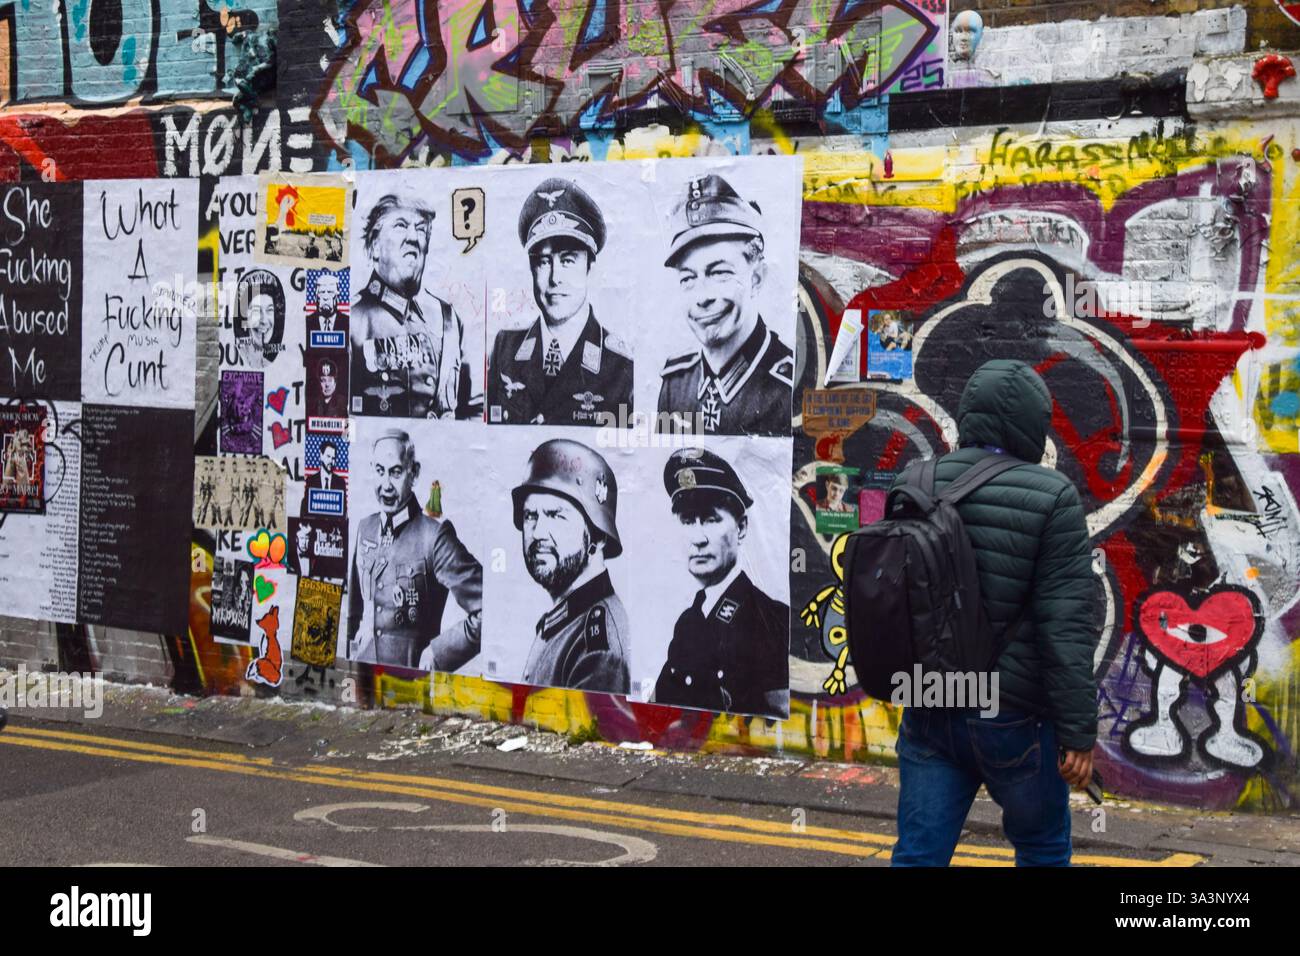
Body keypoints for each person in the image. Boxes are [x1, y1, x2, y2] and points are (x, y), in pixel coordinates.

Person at [890, 359, 1099, 867]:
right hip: (1014, 716)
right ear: (1034, 424)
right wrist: (1077, 732)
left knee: (918, 855)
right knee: (1042, 846)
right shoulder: (1052, 497)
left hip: (930, 700)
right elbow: (1065, 625)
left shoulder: (915, 480)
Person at [487, 178, 633, 427]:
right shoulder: (506, 349)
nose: (555, 278)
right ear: (531, 269)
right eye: (544, 262)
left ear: (590, 268)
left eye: (567, 261)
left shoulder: (619, 366)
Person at [654, 447, 788, 716]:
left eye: (711, 519)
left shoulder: (771, 619)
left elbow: (777, 720)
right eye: (688, 521)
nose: (698, 537)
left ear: (741, 528)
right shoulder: (688, 622)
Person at [658, 174, 793, 437]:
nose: (702, 296)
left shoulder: (786, 388)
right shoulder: (675, 384)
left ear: (756, 278)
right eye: (688, 278)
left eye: (719, 273)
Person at [347, 429, 483, 671]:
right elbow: (355, 609)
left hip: (409, 690)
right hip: (363, 680)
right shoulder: (364, 528)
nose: (385, 485)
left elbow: (487, 608)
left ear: (414, 473)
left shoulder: (434, 536)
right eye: (380, 471)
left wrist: (437, 654)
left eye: (395, 472)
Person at [512, 438, 629, 694]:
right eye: (531, 515)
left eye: (556, 516)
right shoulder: (568, 620)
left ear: (597, 536)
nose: (538, 532)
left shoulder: (596, 646)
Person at [351, 192, 480, 419]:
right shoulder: (353, 319)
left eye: (421, 229)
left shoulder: (448, 318)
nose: (414, 237)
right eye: (401, 226)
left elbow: (474, 411)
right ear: (374, 248)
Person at [308, 272, 346, 336]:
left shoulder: (346, 321)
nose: (325, 297)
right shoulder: (307, 322)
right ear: (317, 297)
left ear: (337, 297)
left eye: (330, 292)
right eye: (322, 292)